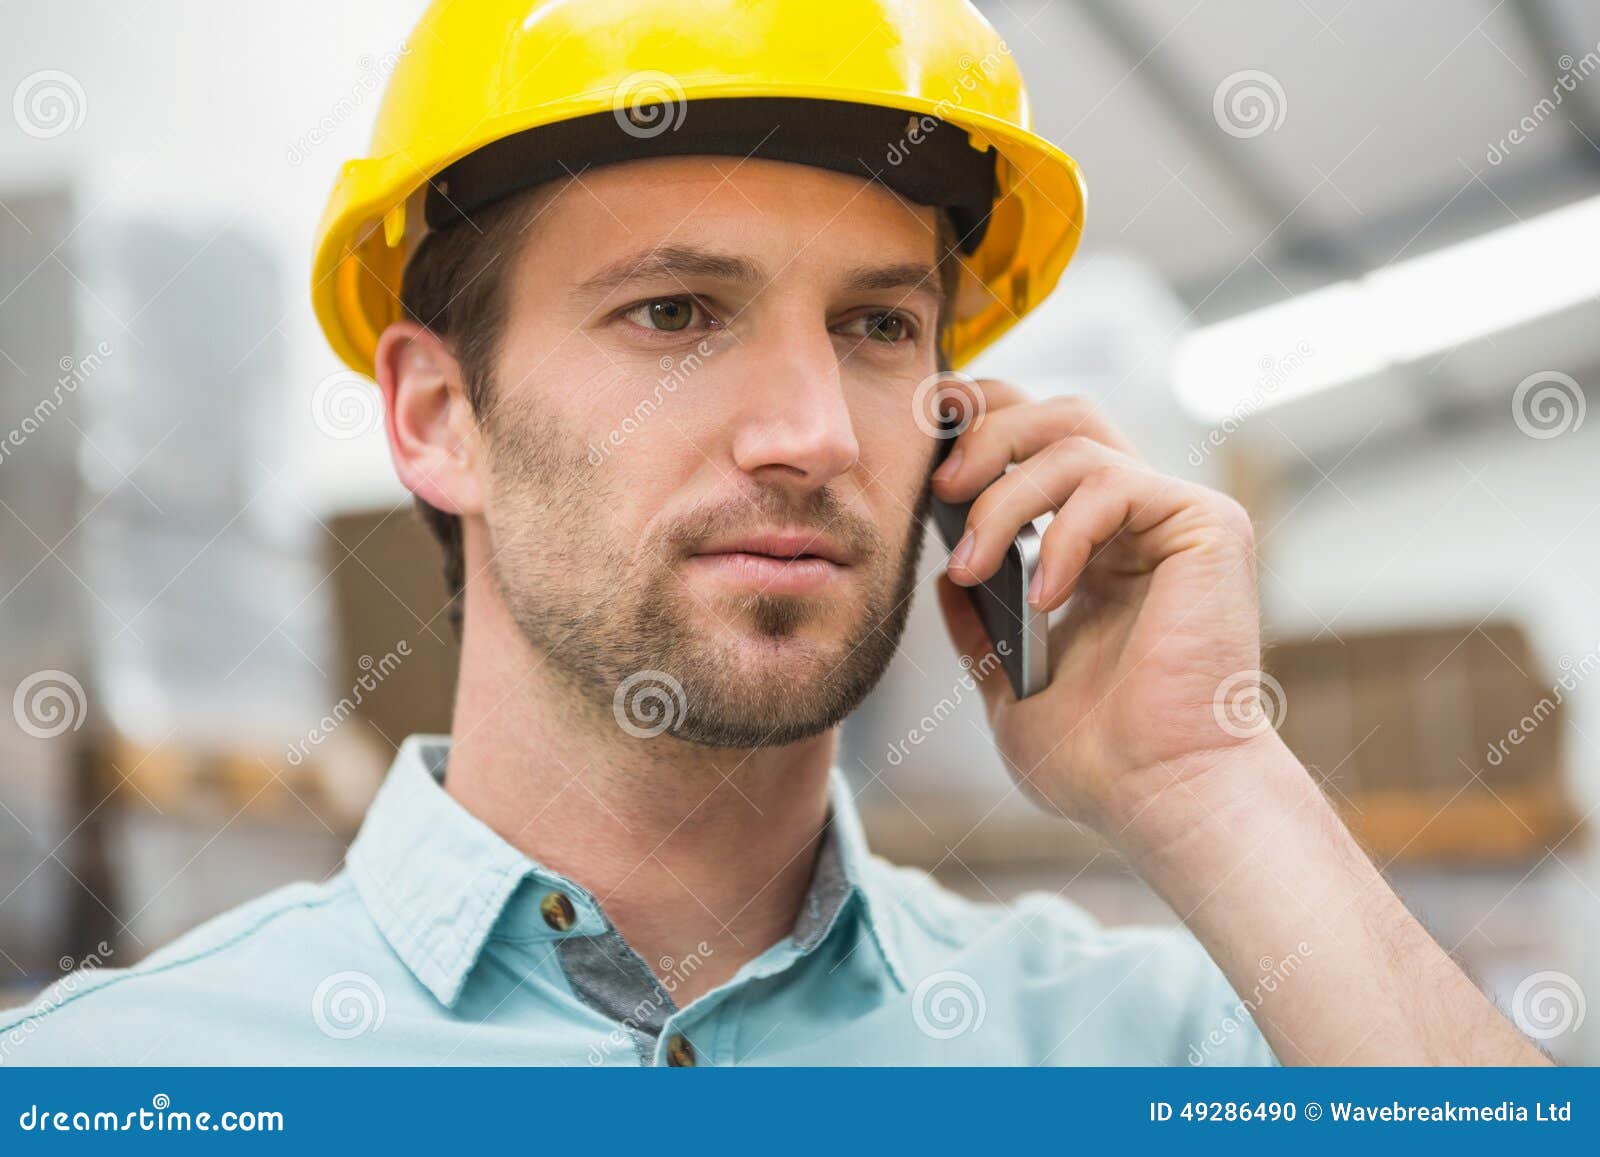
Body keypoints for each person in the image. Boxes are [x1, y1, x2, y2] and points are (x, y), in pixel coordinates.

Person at [1, 0, 1545, 1066]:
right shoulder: (124, 1083)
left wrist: (1214, 785)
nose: (811, 430)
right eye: (676, 312)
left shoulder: (1141, 1048)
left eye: (879, 324)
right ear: (437, 415)